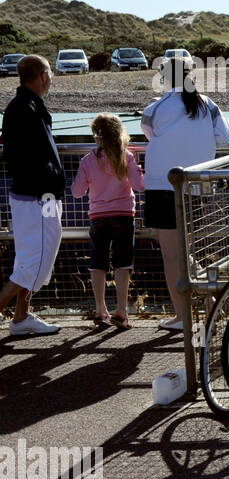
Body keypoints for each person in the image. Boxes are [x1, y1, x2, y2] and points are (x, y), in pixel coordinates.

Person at [141, 58, 229, 331]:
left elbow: (150, 134)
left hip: (162, 186)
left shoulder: (155, 108)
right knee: (187, 250)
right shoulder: (207, 104)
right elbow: (225, 137)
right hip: (195, 187)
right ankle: (208, 301)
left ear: (163, 78)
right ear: (190, 75)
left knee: (172, 255)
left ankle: (183, 316)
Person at [0, 55, 64, 337]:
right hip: (36, 198)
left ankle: (22, 316)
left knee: (42, 255)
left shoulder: (27, 104)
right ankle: (16, 314)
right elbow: (23, 157)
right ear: (41, 75)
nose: (51, 78)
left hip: (43, 196)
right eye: (49, 73)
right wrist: (49, 175)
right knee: (32, 260)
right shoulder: (24, 108)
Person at [71, 113, 145, 328]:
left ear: (97, 136)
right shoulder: (127, 156)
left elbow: (77, 192)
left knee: (98, 263)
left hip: (98, 216)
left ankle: (100, 309)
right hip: (123, 214)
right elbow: (140, 185)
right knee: (123, 263)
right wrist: (140, 168)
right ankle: (121, 311)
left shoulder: (87, 160)